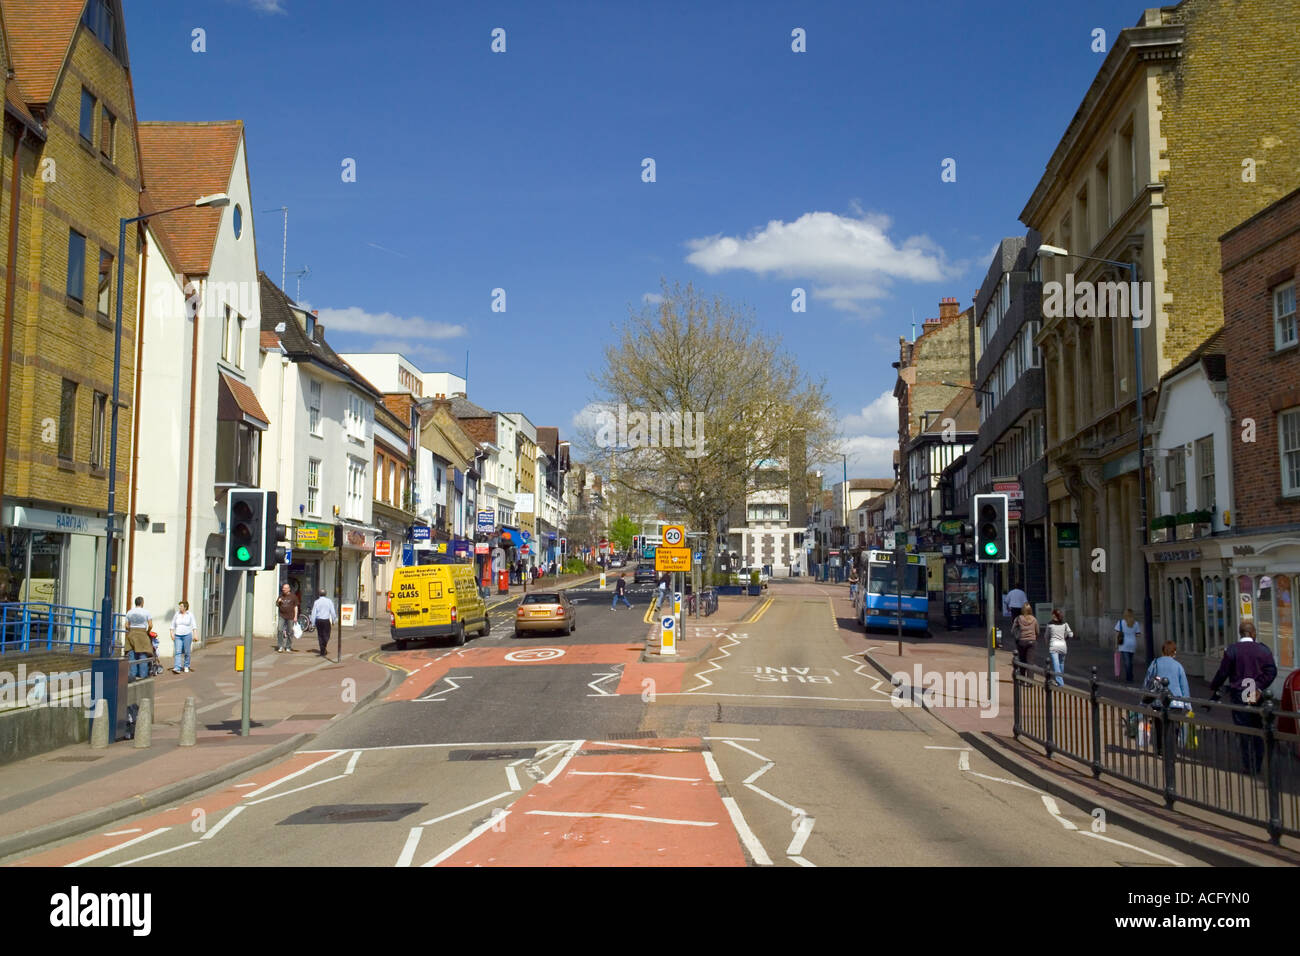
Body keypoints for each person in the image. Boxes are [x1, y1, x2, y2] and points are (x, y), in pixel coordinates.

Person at [1210, 621, 1278, 775]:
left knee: (1244, 731)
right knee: (1259, 729)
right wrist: (1258, 687)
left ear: (1241, 633)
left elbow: (1223, 672)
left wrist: (1214, 686)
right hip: (1257, 696)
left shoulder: (1232, 650)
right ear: (1252, 633)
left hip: (1239, 695)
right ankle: (1258, 762)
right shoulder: (1263, 650)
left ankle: (1249, 764)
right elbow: (1271, 671)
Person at [1142, 640, 1191, 756]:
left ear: (1163, 651)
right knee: (1174, 727)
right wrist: (1187, 704)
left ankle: (1160, 750)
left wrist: (1143, 700)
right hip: (1176, 702)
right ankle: (1172, 751)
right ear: (1174, 652)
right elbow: (1184, 685)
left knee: (1159, 726)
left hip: (1158, 701)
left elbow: (1147, 681)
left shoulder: (1155, 663)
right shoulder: (1178, 666)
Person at [124, 596, 153, 681]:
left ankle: (133, 675)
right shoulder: (146, 612)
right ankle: (143, 676)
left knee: (132, 655)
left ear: (135, 603)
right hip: (142, 633)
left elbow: (126, 625)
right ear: (142, 603)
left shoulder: (129, 612)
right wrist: (148, 631)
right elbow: (150, 625)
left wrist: (131, 630)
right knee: (143, 654)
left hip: (131, 633)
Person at [1044, 608, 1074, 686]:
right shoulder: (1065, 624)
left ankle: (1060, 682)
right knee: (1061, 663)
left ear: (1054, 615)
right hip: (1063, 646)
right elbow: (1071, 635)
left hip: (1054, 645)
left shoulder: (1050, 624)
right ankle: (1060, 679)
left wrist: (1046, 643)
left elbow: (1046, 636)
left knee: (1056, 664)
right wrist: (1065, 635)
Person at [1113, 609, 1141, 683]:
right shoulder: (1135, 623)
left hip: (1124, 644)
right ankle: (1130, 676)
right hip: (1132, 643)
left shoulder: (1120, 622)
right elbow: (1138, 634)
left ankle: (1129, 677)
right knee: (1130, 661)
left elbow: (1117, 634)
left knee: (1126, 661)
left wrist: (1116, 645)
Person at [170, 600, 197, 674]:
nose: (180, 607)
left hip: (187, 635)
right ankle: (177, 667)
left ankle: (186, 666)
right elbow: (172, 624)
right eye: (179, 606)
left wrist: (195, 635)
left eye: (181, 606)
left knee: (187, 652)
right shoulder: (177, 614)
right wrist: (172, 633)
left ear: (185, 607)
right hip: (178, 635)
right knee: (177, 652)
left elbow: (194, 625)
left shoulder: (190, 614)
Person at [312, 588, 337, 657]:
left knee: (320, 635)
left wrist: (313, 623)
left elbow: (313, 613)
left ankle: (322, 650)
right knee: (327, 635)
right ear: (326, 594)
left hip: (318, 620)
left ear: (319, 594)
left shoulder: (316, 602)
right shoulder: (329, 601)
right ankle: (323, 647)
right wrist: (334, 620)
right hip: (326, 620)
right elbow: (333, 612)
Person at [274, 583, 299, 653]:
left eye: (285, 588)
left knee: (290, 632)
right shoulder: (281, 596)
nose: (283, 589)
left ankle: (288, 646)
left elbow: (296, 606)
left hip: (291, 616)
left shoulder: (293, 596)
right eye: (283, 588)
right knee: (279, 630)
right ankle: (280, 646)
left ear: (288, 589)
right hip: (282, 616)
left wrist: (295, 616)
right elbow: (276, 604)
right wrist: (278, 602)